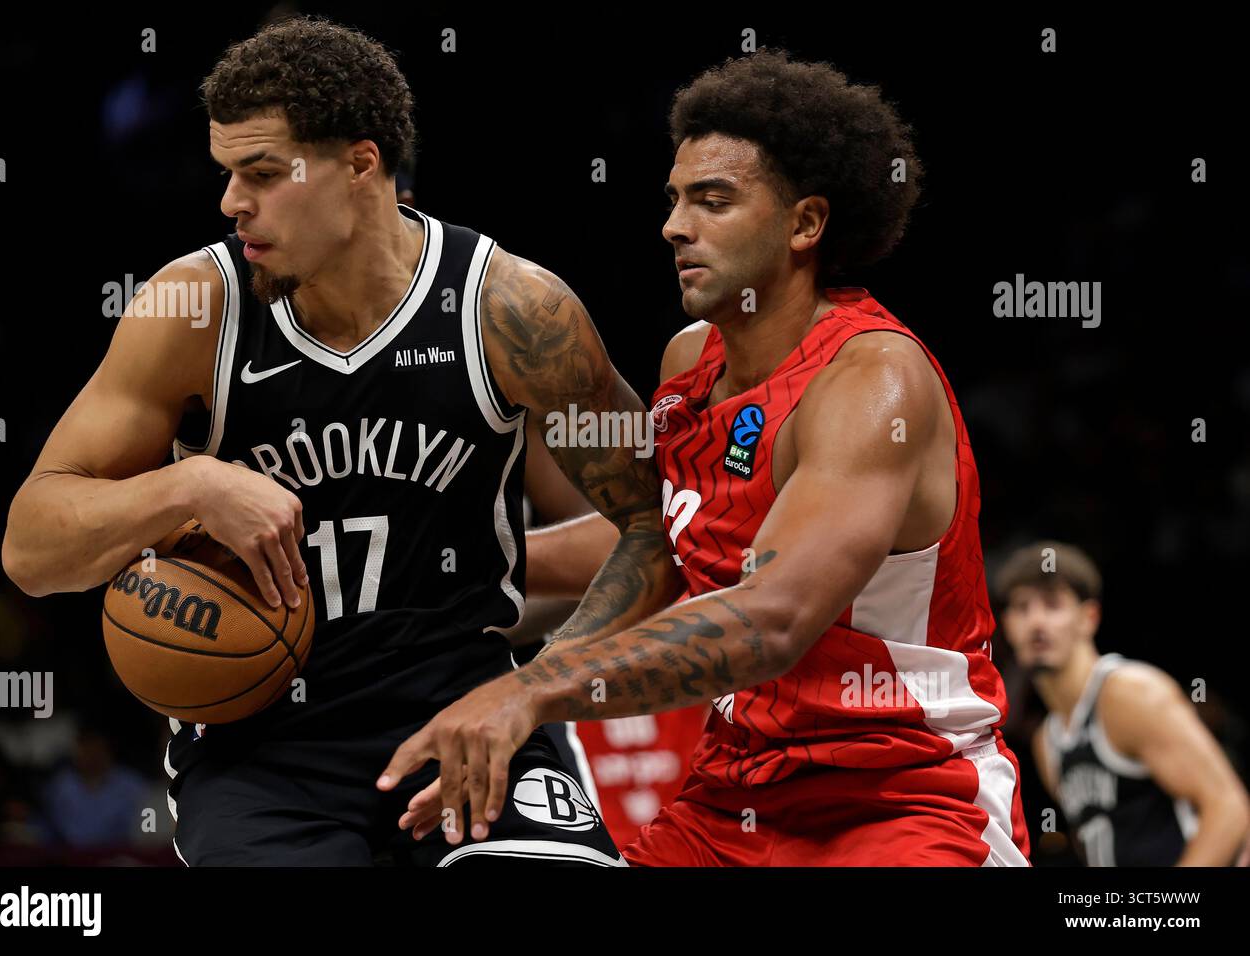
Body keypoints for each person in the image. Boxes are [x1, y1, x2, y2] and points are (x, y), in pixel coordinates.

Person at [1, 16, 683, 866]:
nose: (229, 202)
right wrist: (187, 486)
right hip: (261, 751)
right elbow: (31, 546)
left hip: (459, 715)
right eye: (225, 173)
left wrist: (531, 690)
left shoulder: (511, 310)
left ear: (361, 165)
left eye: (260, 173)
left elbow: (662, 525)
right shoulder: (193, 310)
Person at [383, 50, 1031, 866]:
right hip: (732, 797)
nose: (674, 225)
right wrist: (454, 570)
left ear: (806, 223)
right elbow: (664, 544)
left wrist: (530, 691)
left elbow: (773, 615)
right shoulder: (689, 361)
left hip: (903, 798)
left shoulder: (872, 381)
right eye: (675, 198)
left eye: (713, 200)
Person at [995, 541, 1250, 866]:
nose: (1036, 622)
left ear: (1089, 618)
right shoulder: (1047, 741)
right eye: (1022, 607)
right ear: (1007, 626)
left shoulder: (1130, 692)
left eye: (1052, 604)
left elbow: (1229, 806)